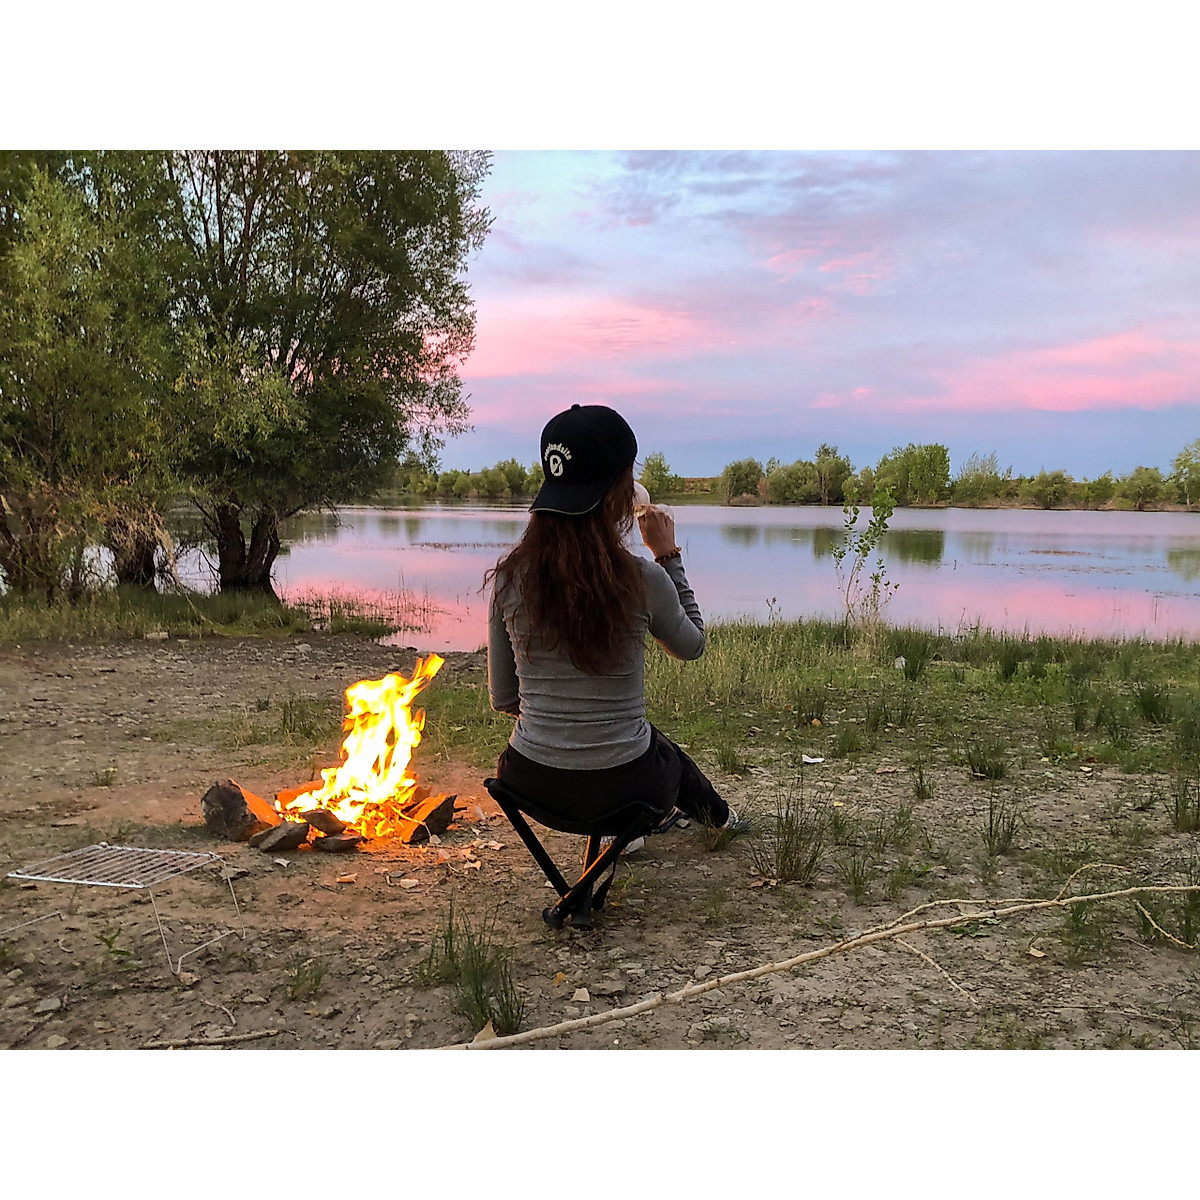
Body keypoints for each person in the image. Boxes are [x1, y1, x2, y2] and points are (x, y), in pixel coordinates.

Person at [486, 403, 744, 844]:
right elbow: (692, 645)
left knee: (636, 743)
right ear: (622, 493)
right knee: (659, 753)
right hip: (628, 788)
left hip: (530, 785)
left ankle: (623, 833)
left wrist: (563, 730)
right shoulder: (643, 578)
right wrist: (668, 556)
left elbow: (505, 697)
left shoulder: (509, 579)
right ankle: (720, 820)